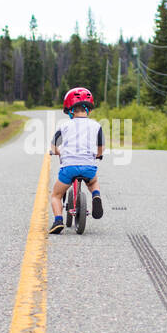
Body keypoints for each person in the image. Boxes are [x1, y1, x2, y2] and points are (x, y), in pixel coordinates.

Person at [49, 87, 104, 234]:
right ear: (89, 110)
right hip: (88, 166)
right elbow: (100, 148)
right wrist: (98, 155)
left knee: (56, 195)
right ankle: (96, 195)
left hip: (69, 168)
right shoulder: (97, 126)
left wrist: (58, 152)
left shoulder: (64, 126)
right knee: (93, 182)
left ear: (70, 110)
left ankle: (58, 221)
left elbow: (53, 146)